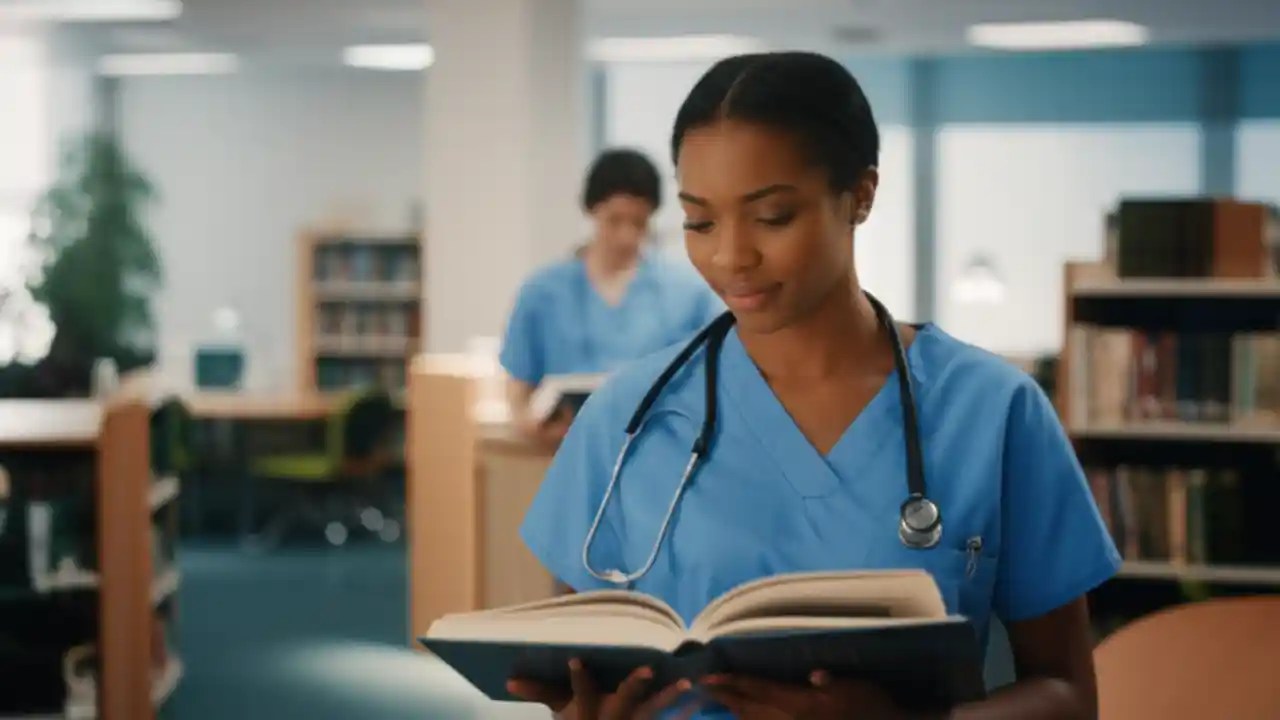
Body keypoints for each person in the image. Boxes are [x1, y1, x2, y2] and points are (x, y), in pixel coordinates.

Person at [507, 51, 1122, 720]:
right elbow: (572, 680)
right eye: (700, 222)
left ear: (860, 195)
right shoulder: (623, 417)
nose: (730, 256)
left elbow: (1067, 694)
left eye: (771, 217)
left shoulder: (993, 413)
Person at [500, 148, 721, 444]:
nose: (626, 236)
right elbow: (519, 389)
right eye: (614, 220)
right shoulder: (542, 293)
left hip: (658, 457)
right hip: (563, 454)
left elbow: (712, 381)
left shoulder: (687, 293)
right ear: (591, 211)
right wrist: (528, 424)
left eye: (638, 223)